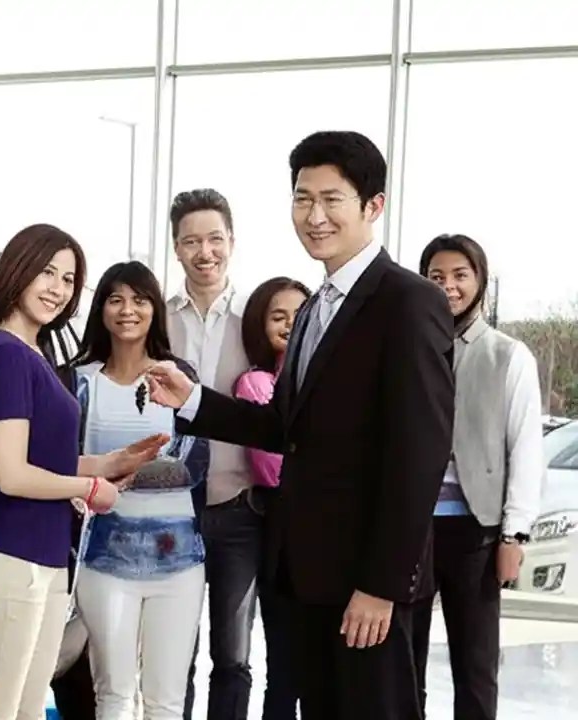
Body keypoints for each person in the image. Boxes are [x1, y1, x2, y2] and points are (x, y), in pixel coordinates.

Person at [142, 130, 455, 720]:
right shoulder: (315, 305)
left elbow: (420, 455)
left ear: (373, 206)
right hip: (307, 573)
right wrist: (195, 400)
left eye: (332, 200)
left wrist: (381, 584)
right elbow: (284, 424)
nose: (314, 216)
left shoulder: (407, 301)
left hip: (366, 582)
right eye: (302, 198)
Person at [0, 223, 167, 720]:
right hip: (11, 562)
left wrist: (113, 464)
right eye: (47, 272)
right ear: (19, 270)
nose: (57, 288)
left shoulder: (36, 355)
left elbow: (43, 463)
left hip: (44, 564)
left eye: (69, 280)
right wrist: (90, 488)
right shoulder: (7, 354)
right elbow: (11, 474)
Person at [67, 261, 210, 719]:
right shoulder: (78, 381)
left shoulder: (177, 376)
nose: (128, 310)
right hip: (105, 561)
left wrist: (113, 471)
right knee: (111, 694)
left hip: (178, 562)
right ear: (101, 309)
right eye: (115, 299)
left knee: (166, 700)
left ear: (154, 310)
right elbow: (58, 464)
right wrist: (111, 471)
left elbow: (196, 465)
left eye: (140, 300)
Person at [412, 233, 545, 720]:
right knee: (406, 663)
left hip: (477, 531)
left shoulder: (508, 355)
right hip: (413, 529)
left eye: (460, 275)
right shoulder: (411, 349)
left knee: (475, 665)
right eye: (436, 277)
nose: (448, 286)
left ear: (480, 282)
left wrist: (514, 532)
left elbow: (526, 448)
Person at [163, 188, 258, 720]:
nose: (205, 252)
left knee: (233, 654)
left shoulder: (257, 316)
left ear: (232, 243)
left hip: (238, 507)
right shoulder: (154, 318)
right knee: (174, 652)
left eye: (214, 239)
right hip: (169, 509)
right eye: (192, 241)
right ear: (176, 248)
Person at [231, 277, 310, 720]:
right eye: (278, 316)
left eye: (300, 314)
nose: (290, 324)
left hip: (329, 534)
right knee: (283, 662)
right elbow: (273, 465)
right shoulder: (255, 384)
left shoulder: (332, 381)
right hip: (282, 529)